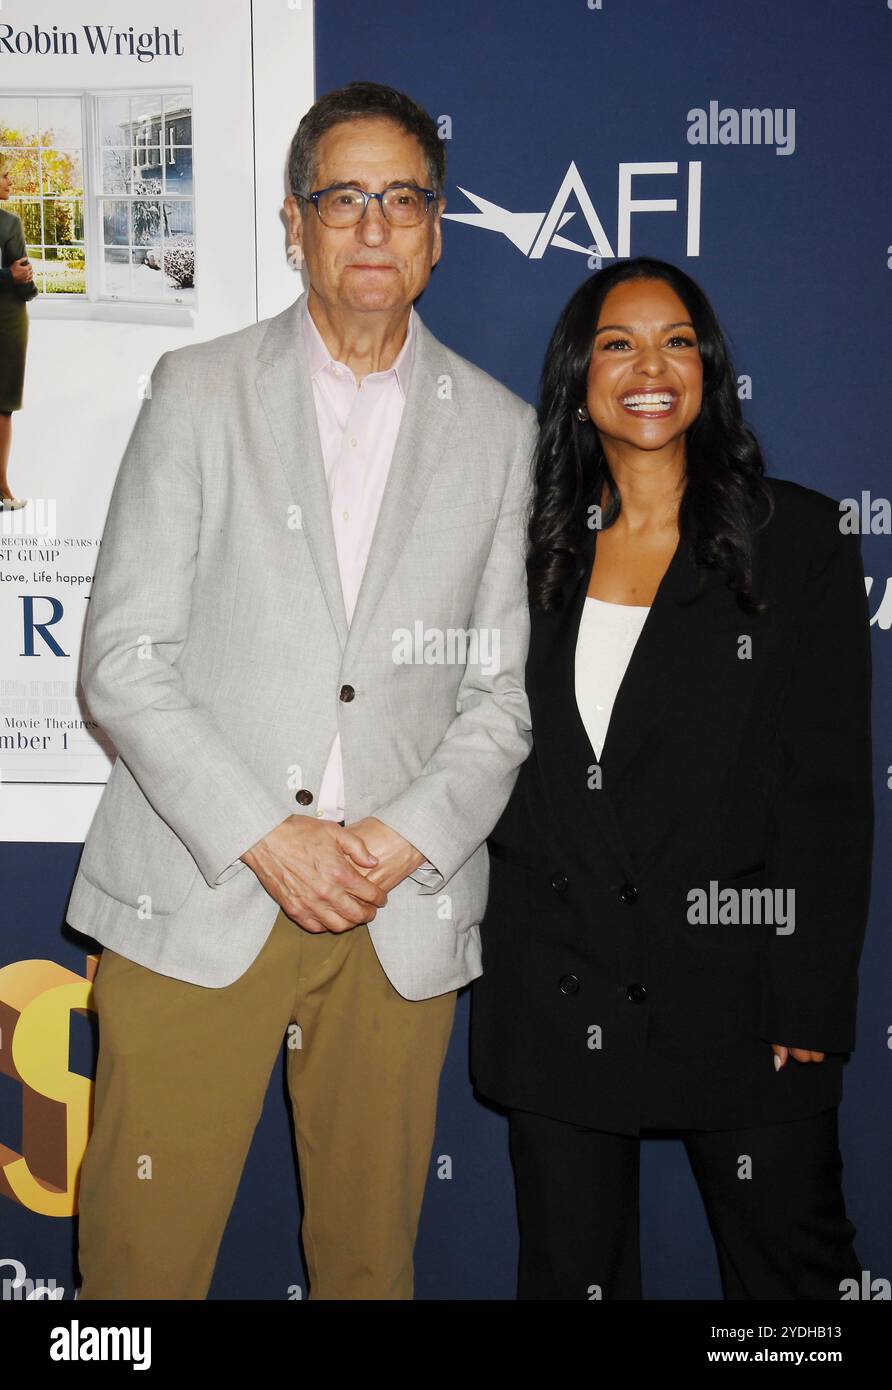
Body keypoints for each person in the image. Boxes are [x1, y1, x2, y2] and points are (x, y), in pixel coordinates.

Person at [69, 81, 537, 1300]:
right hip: (200, 885)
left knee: (370, 1270)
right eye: (343, 199)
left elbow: (499, 700)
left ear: (437, 231)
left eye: (403, 200)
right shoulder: (197, 390)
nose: (373, 227)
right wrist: (268, 838)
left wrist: (396, 840)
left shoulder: (501, 433)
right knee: (136, 1270)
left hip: (395, 910)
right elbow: (123, 656)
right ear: (295, 223)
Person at [470, 257, 873, 1300]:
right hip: (558, 989)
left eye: (676, 342)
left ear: (709, 370)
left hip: (741, 992)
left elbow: (828, 797)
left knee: (793, 1291)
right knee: (572, 1279)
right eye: (618, 344)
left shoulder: (798, 541)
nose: (649, 367)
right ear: (578, 378)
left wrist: (808, 1001)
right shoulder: (520, 545)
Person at [0, 154, 37, 510]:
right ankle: (3, 490)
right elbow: (22, 284)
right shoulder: (9, 224)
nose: (9, 180)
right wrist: (20, 278)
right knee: (3, 405)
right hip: (8, 320)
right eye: (4, 175)